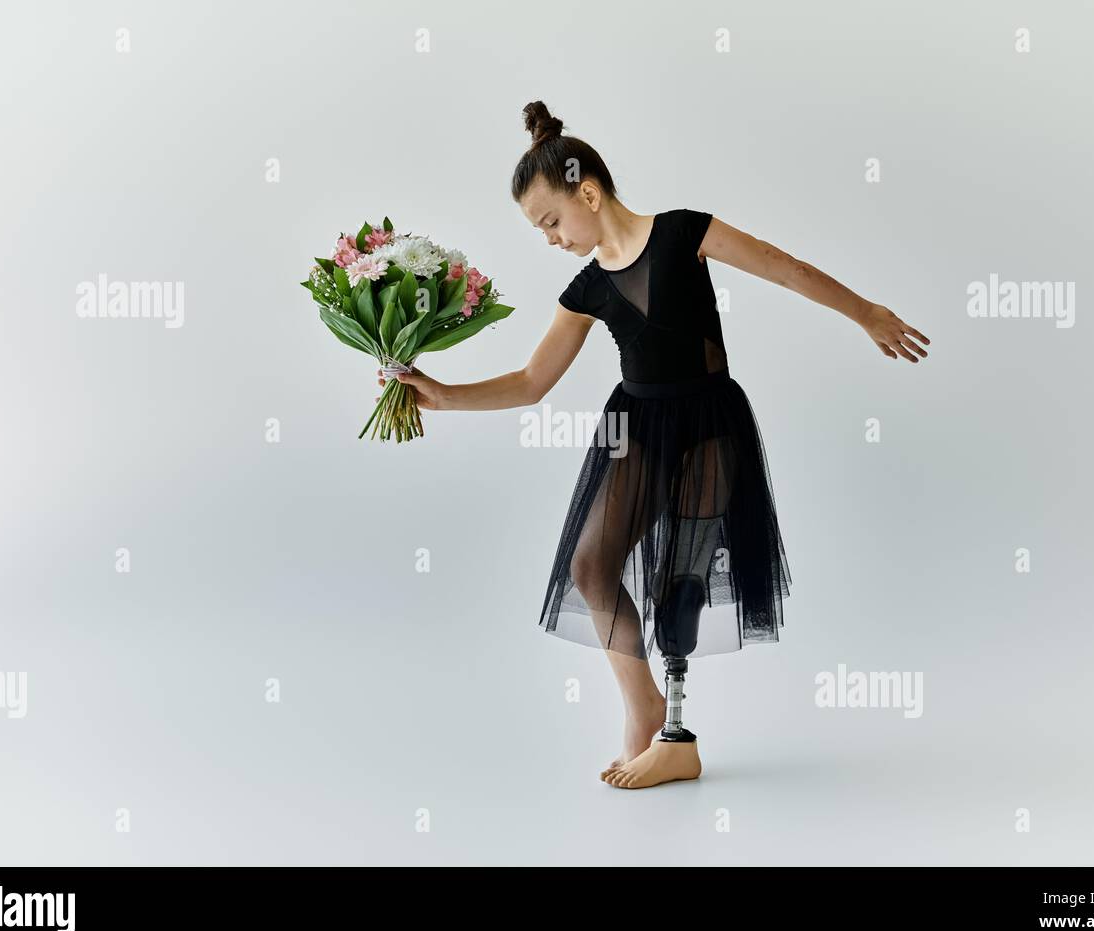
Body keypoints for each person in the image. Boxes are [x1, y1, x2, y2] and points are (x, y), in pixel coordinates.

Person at [378, 101, 931, 789]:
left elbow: (783, 267)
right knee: (591, 567)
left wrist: (866, 313)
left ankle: (677, 739)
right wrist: (442, 393)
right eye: (538, 231)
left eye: (551, 221)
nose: (549, 238)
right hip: (634, 430)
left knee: (680, 590)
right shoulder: (585, 289)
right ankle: (641, 709)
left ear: (589, 191)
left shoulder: (683, 233)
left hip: (708, 425)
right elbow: (530, 382)